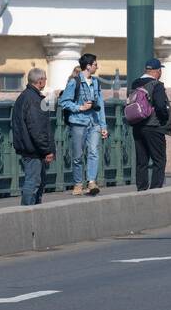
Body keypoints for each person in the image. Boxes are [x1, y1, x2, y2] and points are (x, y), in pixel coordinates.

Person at [57, 52, 108, 196]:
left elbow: (101, 105)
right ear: (88, 66)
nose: (97, 67)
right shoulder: (74, 82)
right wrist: (80, 107)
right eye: (95, 65)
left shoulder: (96, 82)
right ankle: (78, 183)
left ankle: (91, 182)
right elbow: (64, 102)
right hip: (78, 122)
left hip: (94, 122)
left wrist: (103, 126)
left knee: (93, 151)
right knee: (78, 155)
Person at [12, 68, 54, 206]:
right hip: (33, 149)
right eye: (45, 78)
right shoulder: (33, 99)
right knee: (33, 182)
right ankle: (27, 213)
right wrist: (46, 150)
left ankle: (33, 212)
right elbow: (37, 129)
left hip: (29, 147)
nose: (46, 81)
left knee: (37, 181)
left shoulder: (25, 96)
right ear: (40, 80)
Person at [128, 58, 171, 191]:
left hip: (137, 125)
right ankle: (155, 189)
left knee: (142, 161)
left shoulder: (135, 83)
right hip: (154, 126)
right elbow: (160, 105)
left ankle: (141, 189)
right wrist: (164, 118)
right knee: (159, 160)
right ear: (157, 71)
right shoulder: (156, 85)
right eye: (160, 71)